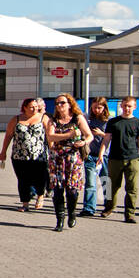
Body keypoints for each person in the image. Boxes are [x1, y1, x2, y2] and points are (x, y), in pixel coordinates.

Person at [45, 93, 90, 231]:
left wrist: (83, 142)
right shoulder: (52, 121)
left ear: (70, 104)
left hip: (73, 158)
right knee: (57, 190)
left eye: (62, 103)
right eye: (57, 103)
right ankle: (59, 220)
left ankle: (72, 213)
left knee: (72, 190)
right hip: (57, 159)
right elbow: (51, 136)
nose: (59, 106)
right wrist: (69, 135)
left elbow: (89, 136)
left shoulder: (77, 119)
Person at [100, 96, 139, 223]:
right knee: (112, 186)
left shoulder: (138, 123)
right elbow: (106, 139)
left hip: (132, 159)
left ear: (134, 107)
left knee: (132, 188)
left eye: (129, 106)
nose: (127, 108)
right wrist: (101, 153)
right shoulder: (113, 122)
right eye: (125, 105)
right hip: (115, 158)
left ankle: (130, 213)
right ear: (121, 106)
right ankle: (109, 208)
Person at [0, 97, 48, 213]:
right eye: (31, 107)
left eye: (36, 107)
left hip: (39, 156)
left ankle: (40, 195)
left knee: (39, 177)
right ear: (24, 108)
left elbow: (50, 135)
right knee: (23, 180)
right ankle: (25, 203)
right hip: (19, 156)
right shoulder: (16, 119)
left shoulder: (43, 118)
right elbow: (8, 136)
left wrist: (53, 149)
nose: (34, 109)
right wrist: (3, 151)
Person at [81, 97, 110, 216]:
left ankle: (108, 206)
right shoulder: (88, 119)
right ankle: (89, 208)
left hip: (105, 155)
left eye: (99, 108)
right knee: (90, 182)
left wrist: (101, 134)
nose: (96, 110)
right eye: (94, 108)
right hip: (90, 154)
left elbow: (113, 137)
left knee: (106, 181)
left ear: (104, 108)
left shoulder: (109, 121)